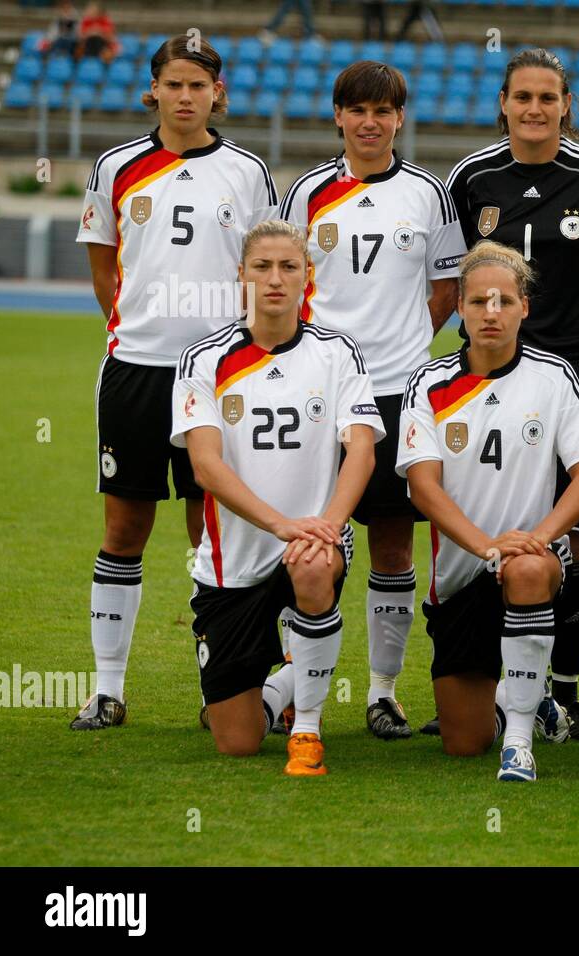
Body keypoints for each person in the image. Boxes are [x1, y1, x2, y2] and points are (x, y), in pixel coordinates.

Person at [71, 36, 277, 730]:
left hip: (217, 379)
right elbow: (105, 267)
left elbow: (265, 266)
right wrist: (137, 327)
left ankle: (214, 688)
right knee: (124, 527)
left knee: (208, 528)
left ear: (217, 92)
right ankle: (106, 689)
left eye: (198, 85)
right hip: (134, 371)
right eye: (173, 84)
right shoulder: (115, 166)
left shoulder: (248, 172)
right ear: (153, 89)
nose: (185, 96)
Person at [445, 48, 579, 741]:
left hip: (568, 372)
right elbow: (459, 276)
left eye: (547, 97)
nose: (534, 109)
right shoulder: (472, 178)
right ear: (503, 102)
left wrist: (568, 329)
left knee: (573, 538)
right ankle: (477, 683)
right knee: (479, 525)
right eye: (522, 96)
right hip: (486, 374)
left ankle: (566, 694)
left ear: (566, 105)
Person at [279, 61, 467, 741]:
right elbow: (283, 278)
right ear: (337, 116)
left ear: (399, 118)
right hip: (317, 398)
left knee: (392, 546)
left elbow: (446, 288)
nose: (370, 122)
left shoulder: (428, 194)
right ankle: (295, 690)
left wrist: (403, 342)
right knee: (306, 539)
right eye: (357, 110)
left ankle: (382, 692)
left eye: (383, 110)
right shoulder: (305, 193)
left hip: (398, 394)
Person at [173, 220, 383, 775]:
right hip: (231, 565)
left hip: (311, 543)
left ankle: (308, 729)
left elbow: (360, 450)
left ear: (307, 276)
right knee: (236, 742)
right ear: (240, 274)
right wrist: (280, 524)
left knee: (314, 568)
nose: (275, 278)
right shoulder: (205, 360)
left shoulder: (338, 354)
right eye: (262, 266)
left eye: (289, 266)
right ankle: (282, 684)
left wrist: (328, 525)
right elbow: (206, 466)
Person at [397, 241, 579, 783]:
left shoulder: (556, 377)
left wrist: (538, 537)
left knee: (529, 568)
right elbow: (424, 487)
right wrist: (487, 547)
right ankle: (528, 698)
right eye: (479, 301)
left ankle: (518, 741)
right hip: (461, 580)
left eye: (505, 301)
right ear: (460, 308)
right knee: (463, 744)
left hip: (533, 566)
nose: (492, 312)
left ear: (524, 308)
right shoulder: (429, 383)